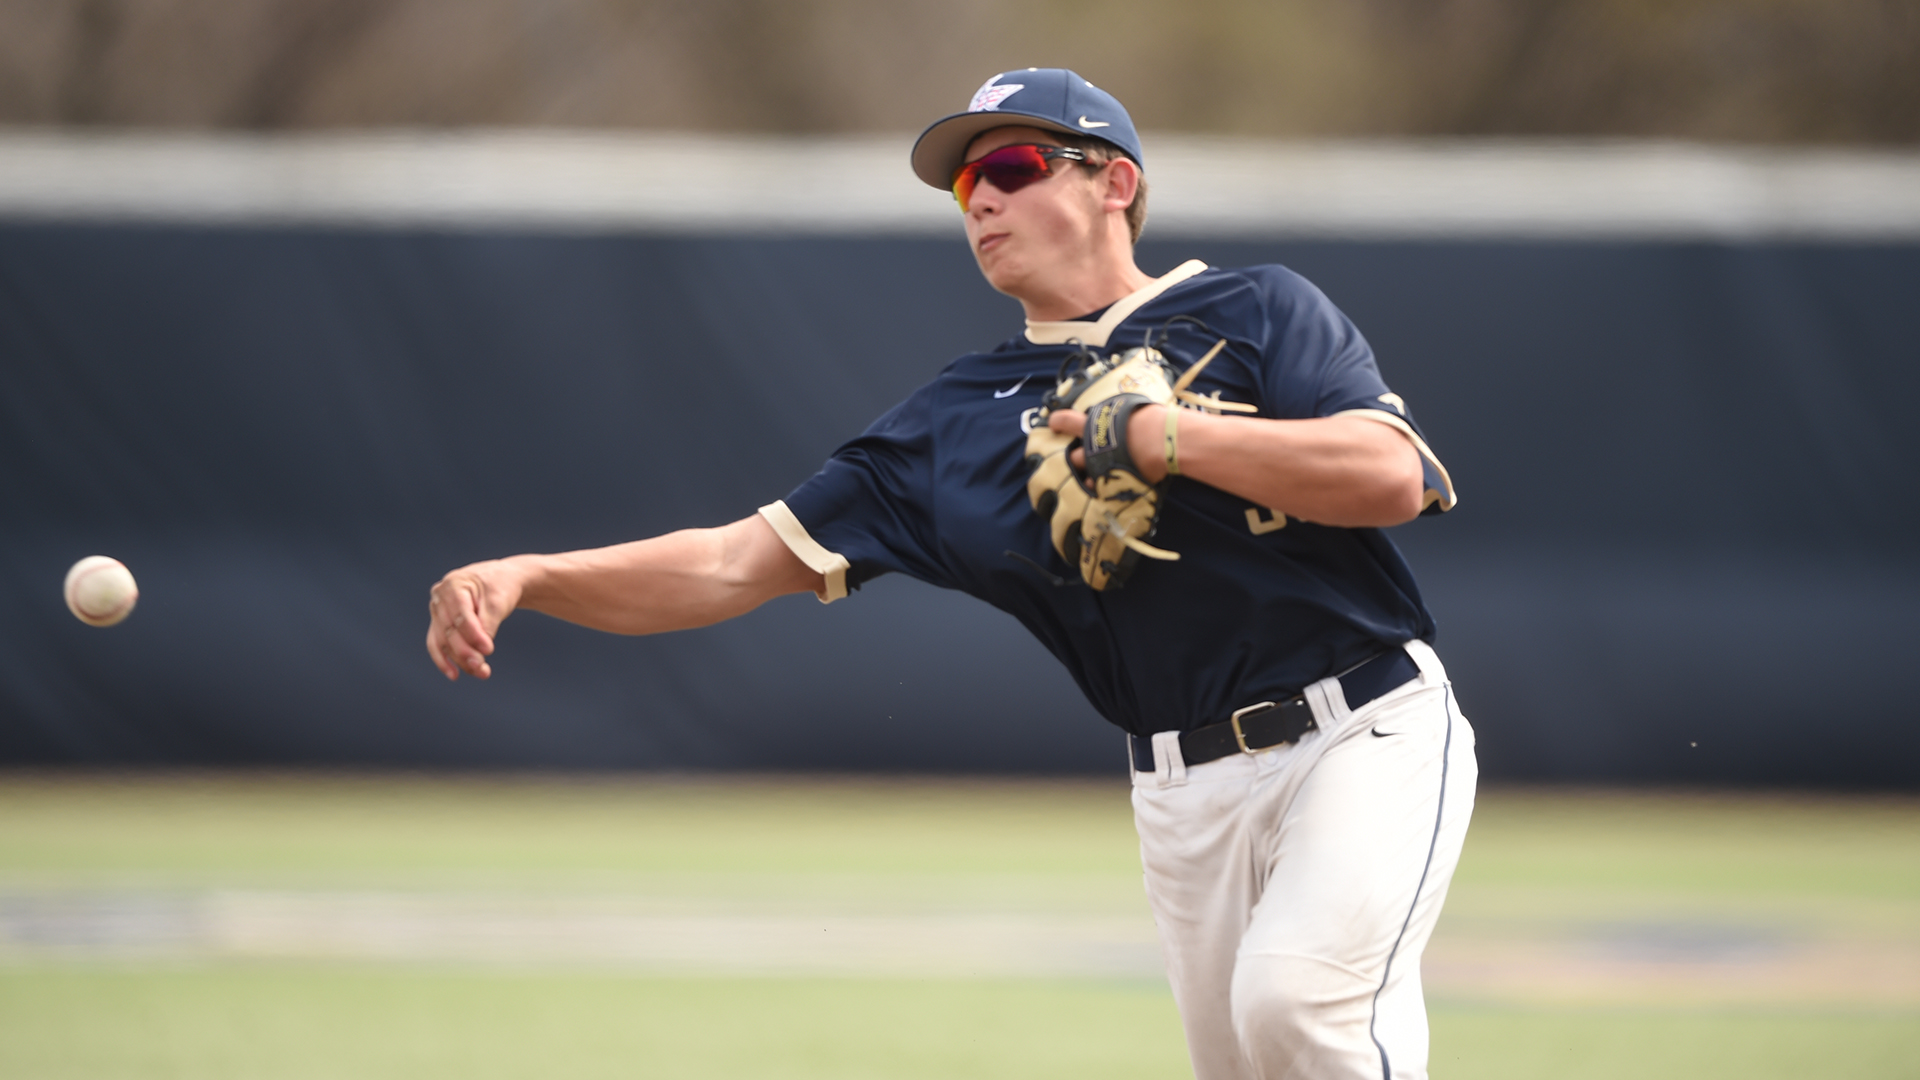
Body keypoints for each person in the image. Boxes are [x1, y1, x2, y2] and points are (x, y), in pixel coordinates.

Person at [427, 67, 1475, 1080]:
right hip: (1180, 788)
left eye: (1012, 166)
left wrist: (1166, 438)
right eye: (964, 187)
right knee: (1258, 1060)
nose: (981, 201)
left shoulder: (1256, 310)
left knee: (1294, 1000)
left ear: (1115, 181)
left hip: (1361, 726)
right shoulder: (955, 421)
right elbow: (731, 563)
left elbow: (1392, 474)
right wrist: (530, 575)